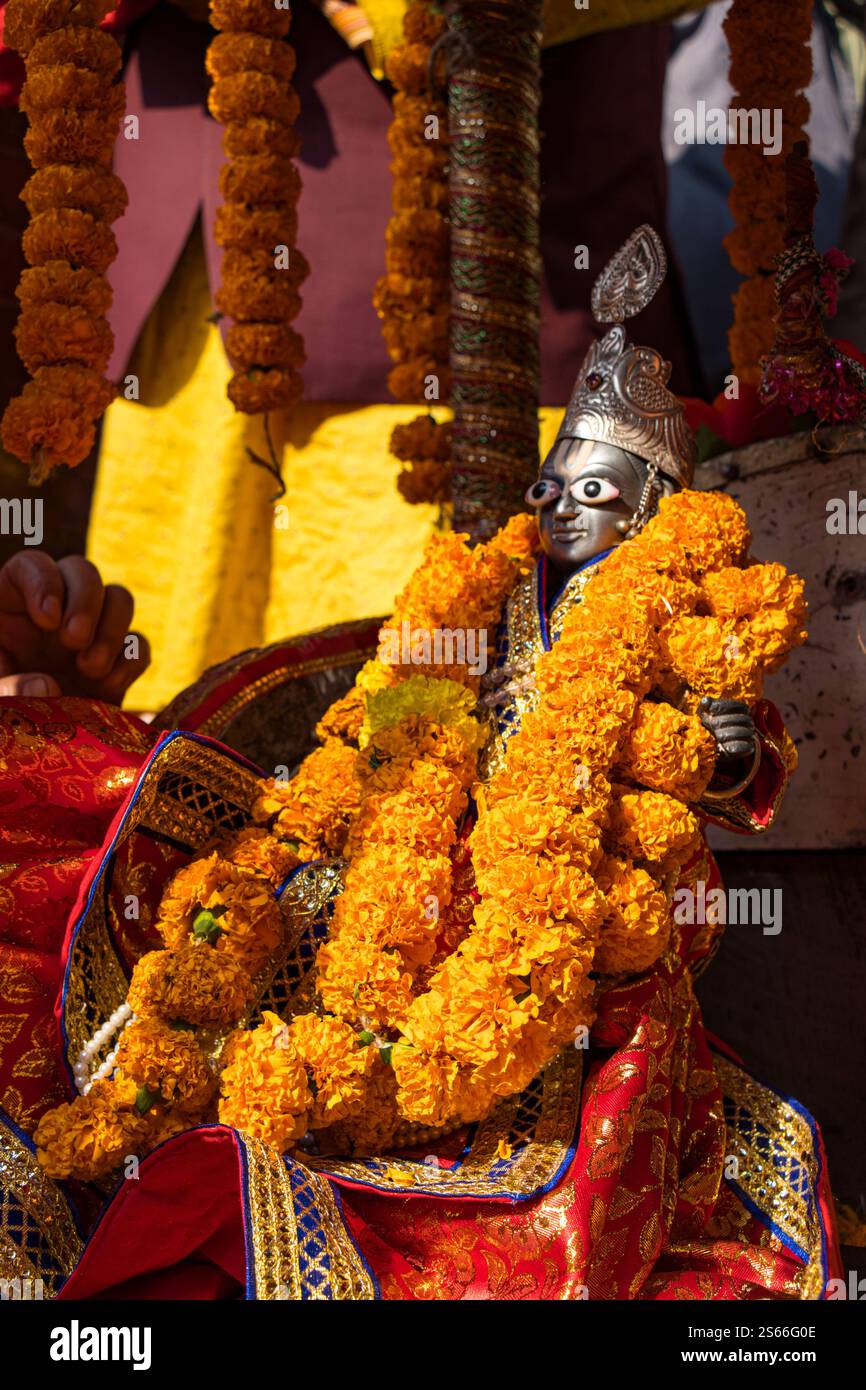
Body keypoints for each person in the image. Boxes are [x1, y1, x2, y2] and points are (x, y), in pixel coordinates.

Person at [0, 228, 840, 1301]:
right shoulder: (481, 603)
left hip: (563, 929)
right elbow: (385, 715)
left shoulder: (673, 619)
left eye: (590, 495)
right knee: (241, 898)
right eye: (549, 486)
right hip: (399, 865)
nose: (554, 509)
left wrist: (718, 746)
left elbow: (738, 747)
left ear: (647, 519)